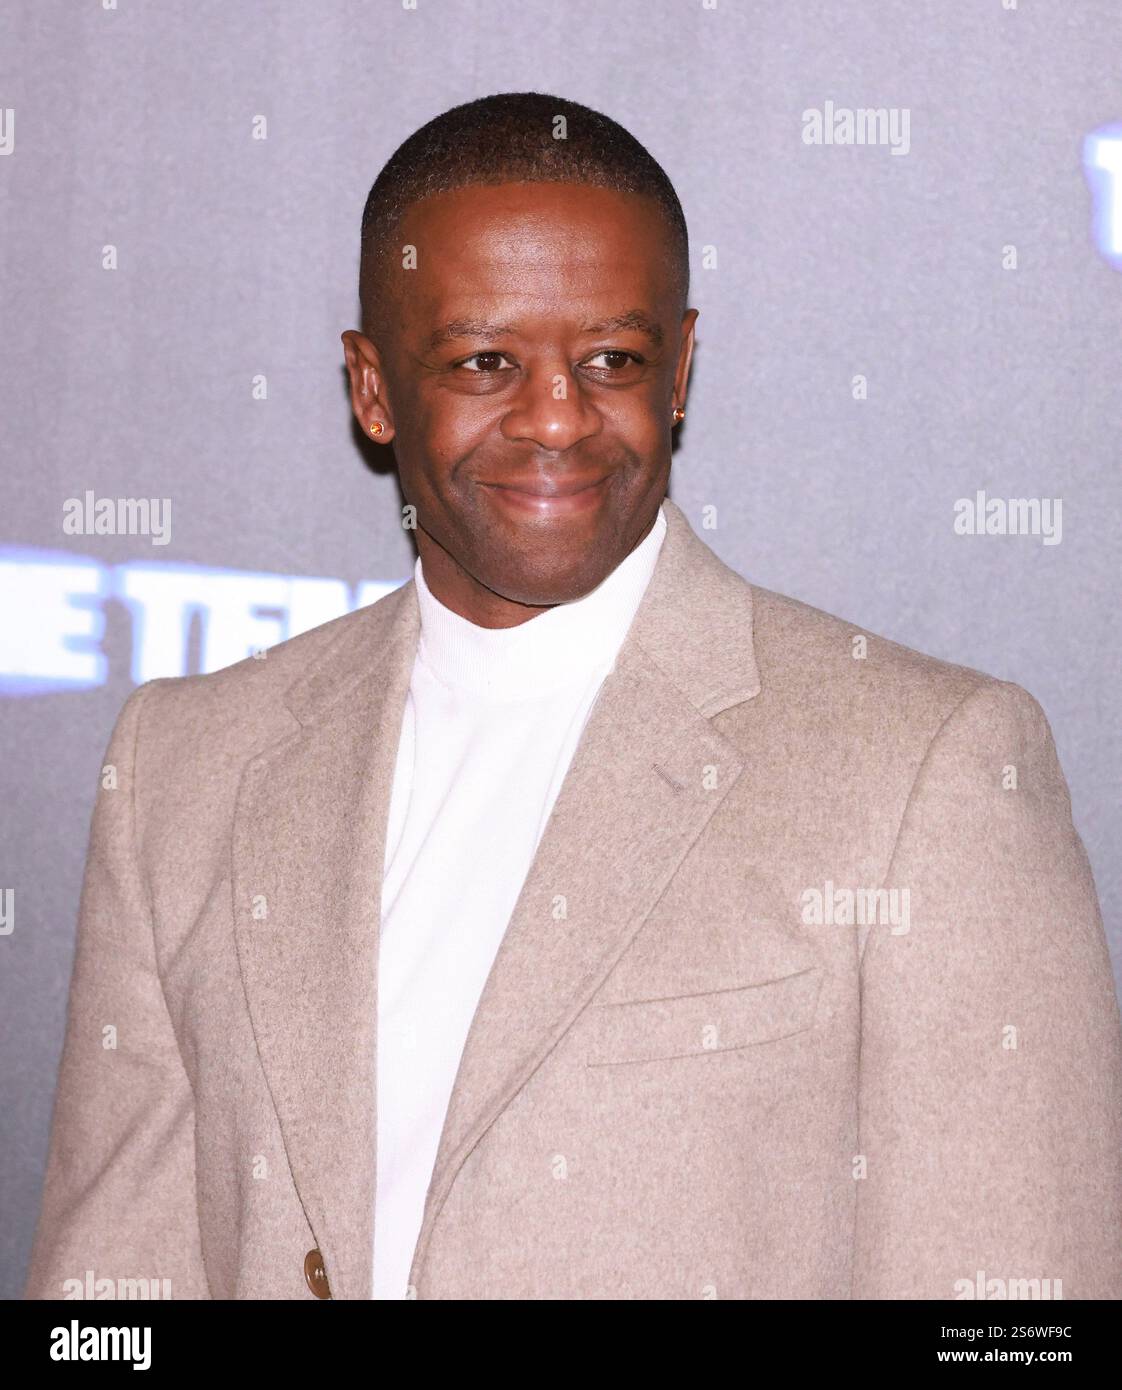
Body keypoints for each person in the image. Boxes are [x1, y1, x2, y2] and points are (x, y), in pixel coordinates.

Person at [25, 91, 1122, 1301]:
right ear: (373, 387)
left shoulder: (926, 766)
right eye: (484, 361)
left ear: (682, 369)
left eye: (611, 358)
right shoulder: (184, 766)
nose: (557, 417)